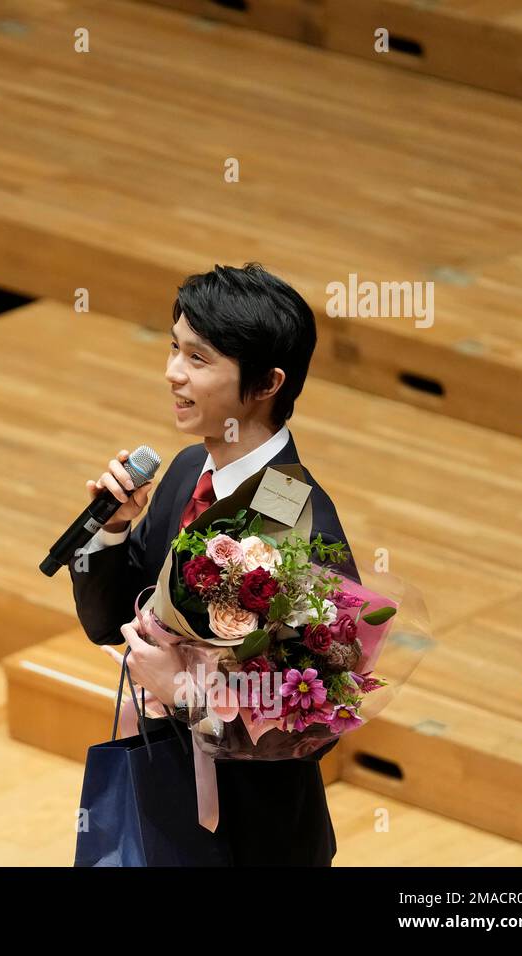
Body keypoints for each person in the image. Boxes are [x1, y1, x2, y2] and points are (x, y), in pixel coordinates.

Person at [69, 262, 359, 866]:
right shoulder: (182, 472)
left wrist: (183, 691)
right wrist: (114, 531)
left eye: (199, 360)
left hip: (254, 842)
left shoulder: (299, 523)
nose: (173, 373)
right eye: (175, 349)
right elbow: (106, 624)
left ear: (267, 382)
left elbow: (313, 730)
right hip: (162, 801)